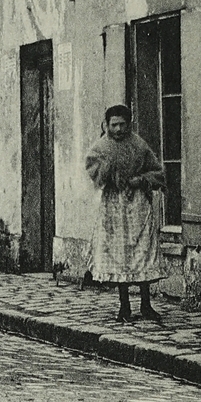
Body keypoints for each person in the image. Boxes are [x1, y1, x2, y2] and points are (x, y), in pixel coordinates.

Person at [87, 104, 169, 323]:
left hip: (138, 206)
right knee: (119, 254)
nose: (119, 129)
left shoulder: (139, 145)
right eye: (114, 125)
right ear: (106, 125)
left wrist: (141, 180)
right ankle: (124, 306)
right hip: (114, 206)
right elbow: (94, 173)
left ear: (129, 124)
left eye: (123, 124)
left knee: (142, 252)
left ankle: (146, 305)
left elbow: (157, 171)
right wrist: (108, 169)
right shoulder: (100, 148)